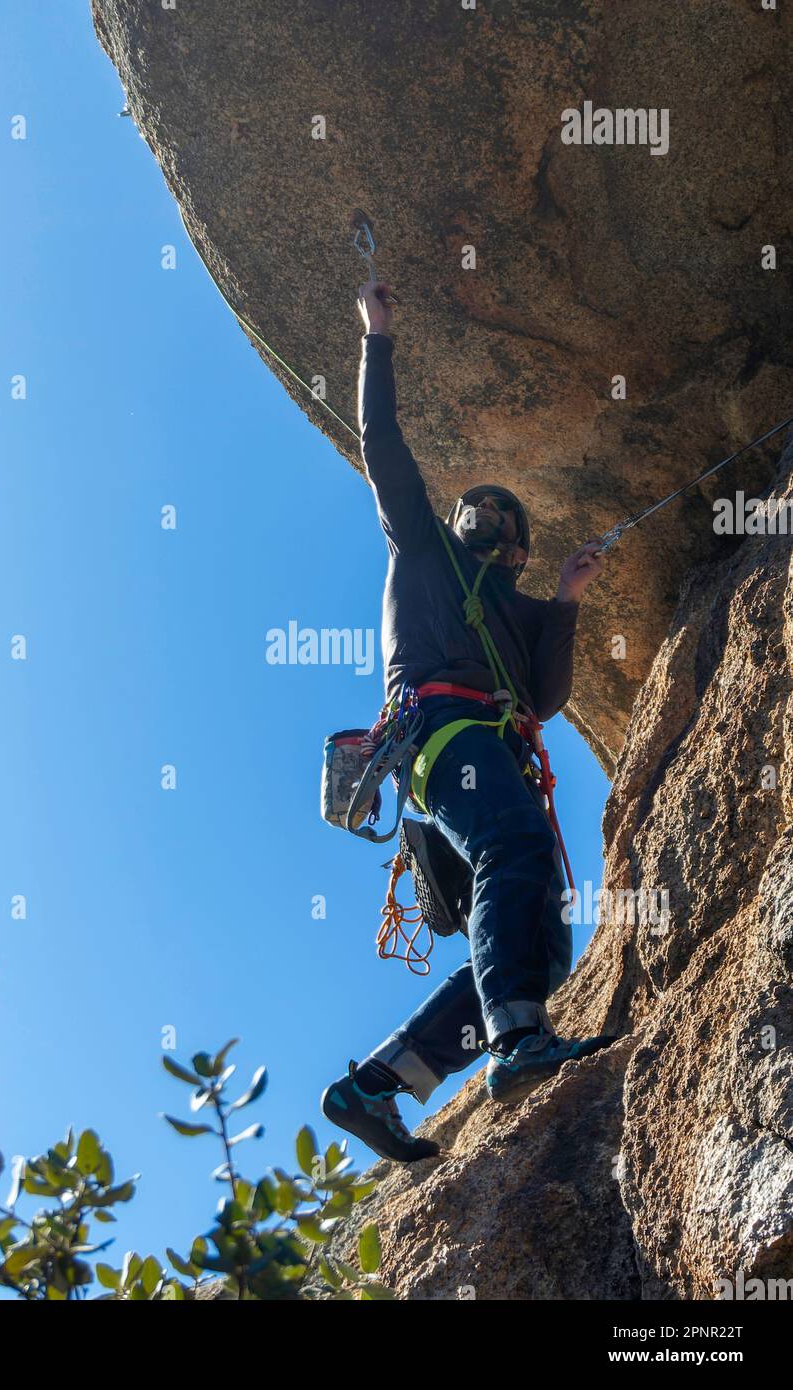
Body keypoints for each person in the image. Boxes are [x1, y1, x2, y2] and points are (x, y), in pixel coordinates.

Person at [321, 280, 613, 1162]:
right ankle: (518, 1046)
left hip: (491, 747)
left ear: (519, 546)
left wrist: (565, 600)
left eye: (500, 523)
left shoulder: (522, 611)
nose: (485, 527)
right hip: (447, 738)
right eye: (475, 516)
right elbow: (386, 452)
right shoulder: (423, 550)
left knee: (546, 945)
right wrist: (378, 337)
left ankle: (378, 1084)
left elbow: (548, 698)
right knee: (510, 851)